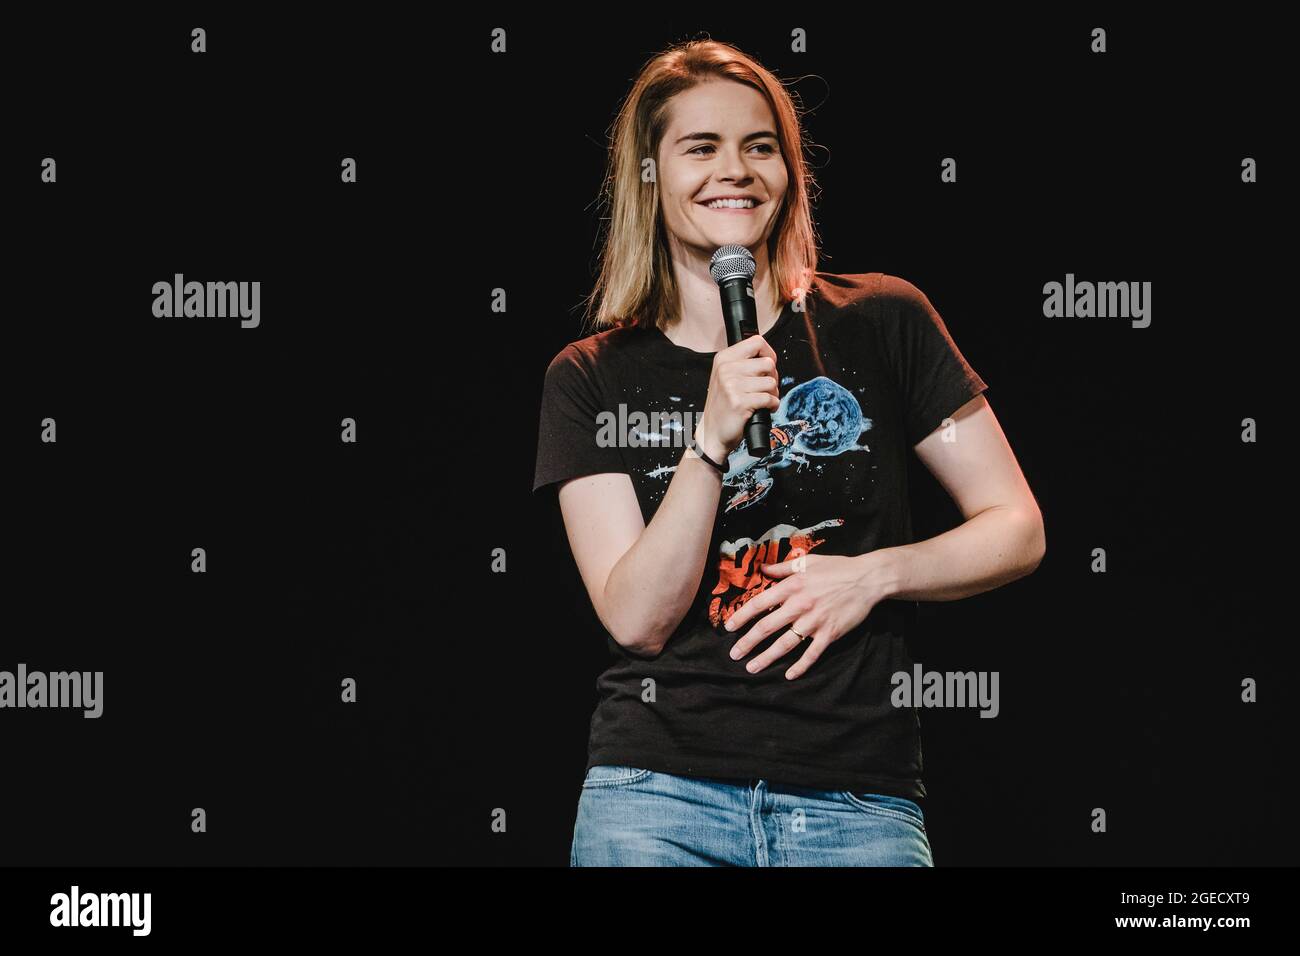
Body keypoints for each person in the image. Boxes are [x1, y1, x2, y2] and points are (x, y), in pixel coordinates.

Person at [532, 39, 1045, 866]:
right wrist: (710, 440)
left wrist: (873, 574)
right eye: (701, 148)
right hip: (657, 799)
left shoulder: (882, 322)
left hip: (855, 799)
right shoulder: (590, 378)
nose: (734, 170)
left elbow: (1015, 526)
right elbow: (637, 619)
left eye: (759, 146)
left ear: (788, 169)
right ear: (651, 174)